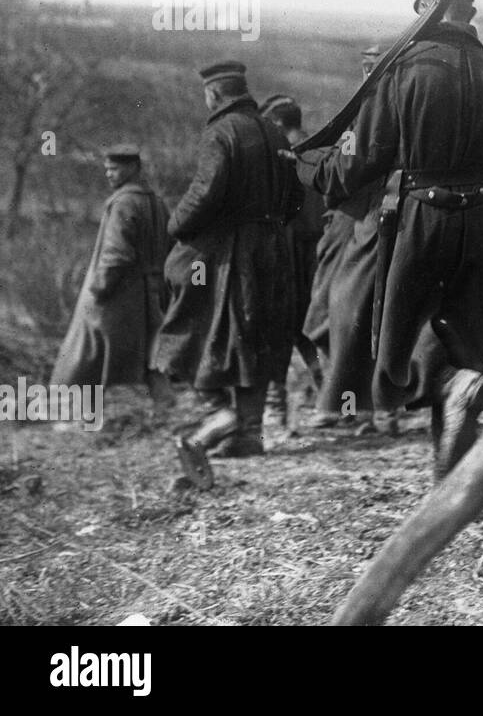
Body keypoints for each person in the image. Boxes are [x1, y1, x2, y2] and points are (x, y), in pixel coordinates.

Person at [294, 0, 483, 479]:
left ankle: (447, 395)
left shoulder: (402, 70)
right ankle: (450, 475)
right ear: (466, 13)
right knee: (468, 340)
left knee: (405, 334)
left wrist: (308, 167)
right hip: (482, 220)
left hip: (417, 218)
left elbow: (361, 163)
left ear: (429, 6)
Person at [154, 61, 300, 476]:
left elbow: (205, 192)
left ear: (215, 95)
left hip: (228, 254)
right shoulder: (273, 131)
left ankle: (221, 416)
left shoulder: (221, 132)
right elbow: (293, 198)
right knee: (255, 335)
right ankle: (250, 433)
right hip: (271, 250)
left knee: (200, 327)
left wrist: (176, 225)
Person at [299, 46, 389, 433]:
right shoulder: (365, 110)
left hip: (366, 219)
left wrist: (306, 164)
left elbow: (345, 169)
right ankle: (343, 403)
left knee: (355, 314)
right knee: (328, 314)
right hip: (346, 221)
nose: (367, 74)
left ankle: (362, 409)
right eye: (364, 66)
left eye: (375, 67)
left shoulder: (379, 112)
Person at [50, 144, 171, 417]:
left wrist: (98, 289)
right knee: (149, 357)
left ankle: (78, 418)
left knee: (84, 357)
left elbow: (116, 254)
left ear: (133, 168)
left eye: (114, 169)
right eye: (106, 169)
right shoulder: (156, 201)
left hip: (119, 295)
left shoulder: (123, 203)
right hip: (151, 293)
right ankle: (165, 410)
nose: (109, 174)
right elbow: (171, 243)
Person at [260, 94, 327, 426]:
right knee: (309, 331)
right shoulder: (319, 154)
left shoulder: (288, 159)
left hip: (293, 256)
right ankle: (328, 394)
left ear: (278, 125)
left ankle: (276, 405)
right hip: (319, 256)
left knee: (281, 328)